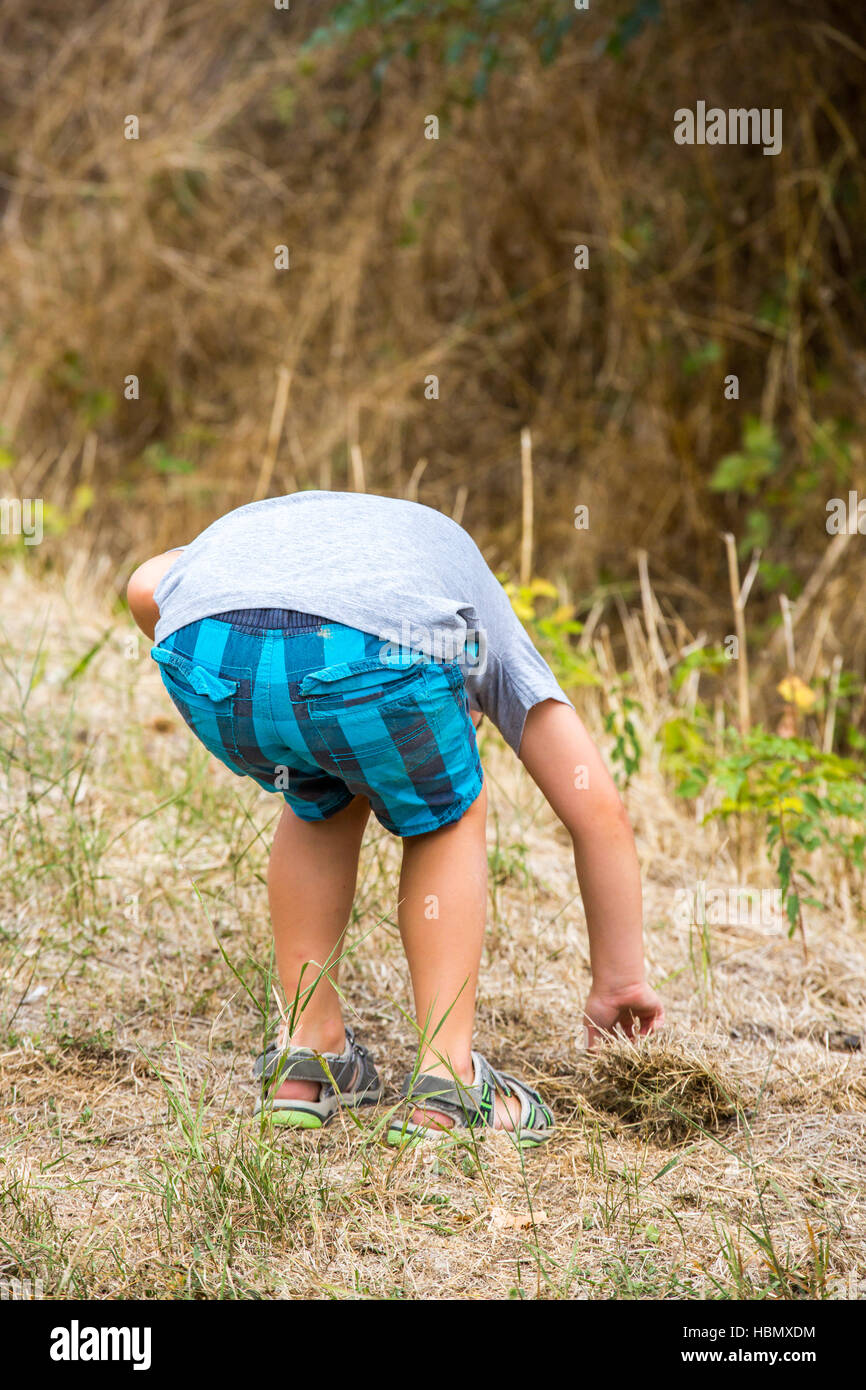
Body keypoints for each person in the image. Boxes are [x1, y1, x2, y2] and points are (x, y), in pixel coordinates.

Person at [127, 490, 664, 1147]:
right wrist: (620, 981)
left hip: (204, 645)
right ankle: (447, 1085)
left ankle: (308, 1056)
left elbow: (146, 585)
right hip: (377, 653)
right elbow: (597, 808)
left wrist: (238, 674)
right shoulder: (478, 618)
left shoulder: (287, 539)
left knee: (318, 788)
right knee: (447, 814)